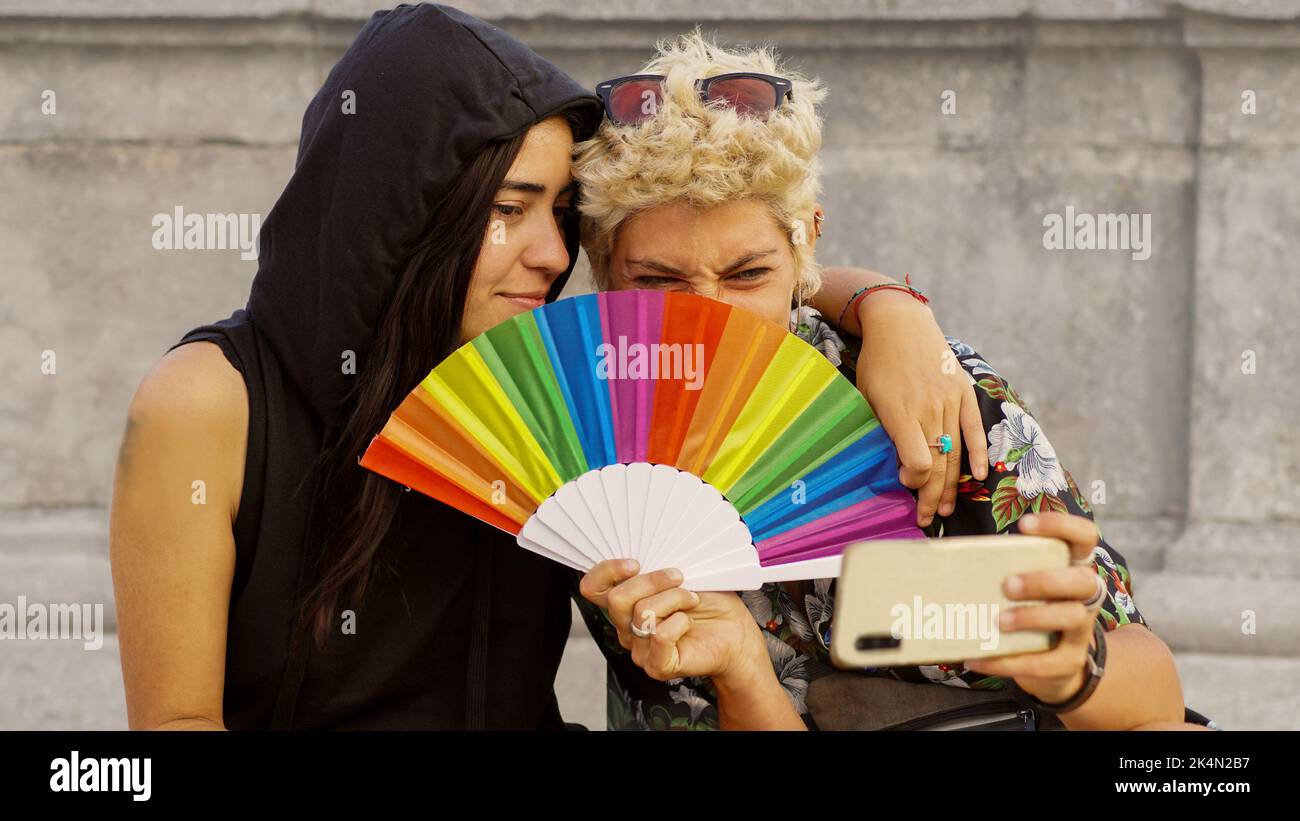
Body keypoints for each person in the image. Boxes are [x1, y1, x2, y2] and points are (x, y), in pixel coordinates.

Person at [108, 5, 977, 730]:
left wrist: (888, 310)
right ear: (402, 207)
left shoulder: (555, 385)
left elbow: (737, 275)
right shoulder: (207, 405)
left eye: (561, 211)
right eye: (510, 208)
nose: (551, 250)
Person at [570, 31, 1200, 730]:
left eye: (748, 274)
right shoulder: (580, 451)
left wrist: (1076, 672)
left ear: (804, 248)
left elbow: (1158, 698)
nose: (712, 319)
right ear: (605, 277)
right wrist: (746, 671)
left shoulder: (925, 395)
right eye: (660, 281)